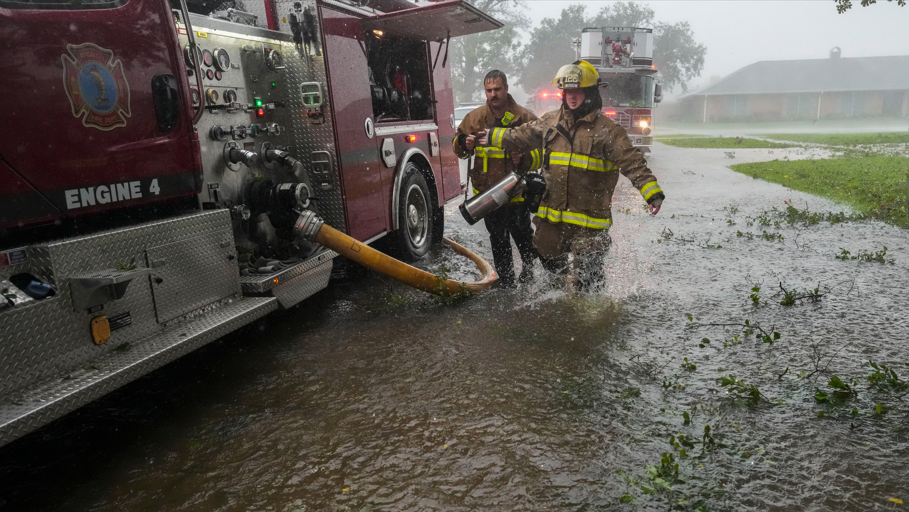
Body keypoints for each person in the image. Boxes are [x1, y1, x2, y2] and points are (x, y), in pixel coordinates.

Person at [478, 60, 665, 291]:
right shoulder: (550, 122)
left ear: (590, 93)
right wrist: (491, 137)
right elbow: (520, 135)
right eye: (568, 92)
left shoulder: (608, 131)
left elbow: (632, 162)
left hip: (589, 222)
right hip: (553, 221)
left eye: (578, 92)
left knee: (588, 279)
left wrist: (651, 192)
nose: (572, 97)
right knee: (551, 272)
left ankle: (591, 317)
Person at [453, 70, 542, 287]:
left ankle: (529, 272)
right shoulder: (474, 119)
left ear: (506, 88)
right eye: (489, 90)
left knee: (521, 233)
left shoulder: (525, 118)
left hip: (517, 190)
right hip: (488, 193)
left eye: (497, 89)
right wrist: (464, 143)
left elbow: (542, 154)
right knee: (497, 237)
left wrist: (524, 157)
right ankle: (506, 281)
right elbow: (458, 148)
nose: (493, 94)